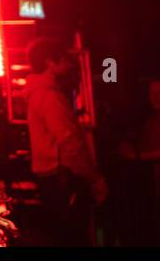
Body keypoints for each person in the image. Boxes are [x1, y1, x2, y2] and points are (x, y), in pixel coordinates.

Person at [24, 37, 107, 246]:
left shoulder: (36, 93)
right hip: (64, 179)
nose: (69, 65)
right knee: (75, 238)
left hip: (52, 180)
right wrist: (95, 178)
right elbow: (70, 144)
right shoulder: (50, 96)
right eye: (64, 59)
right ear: (50, 62)